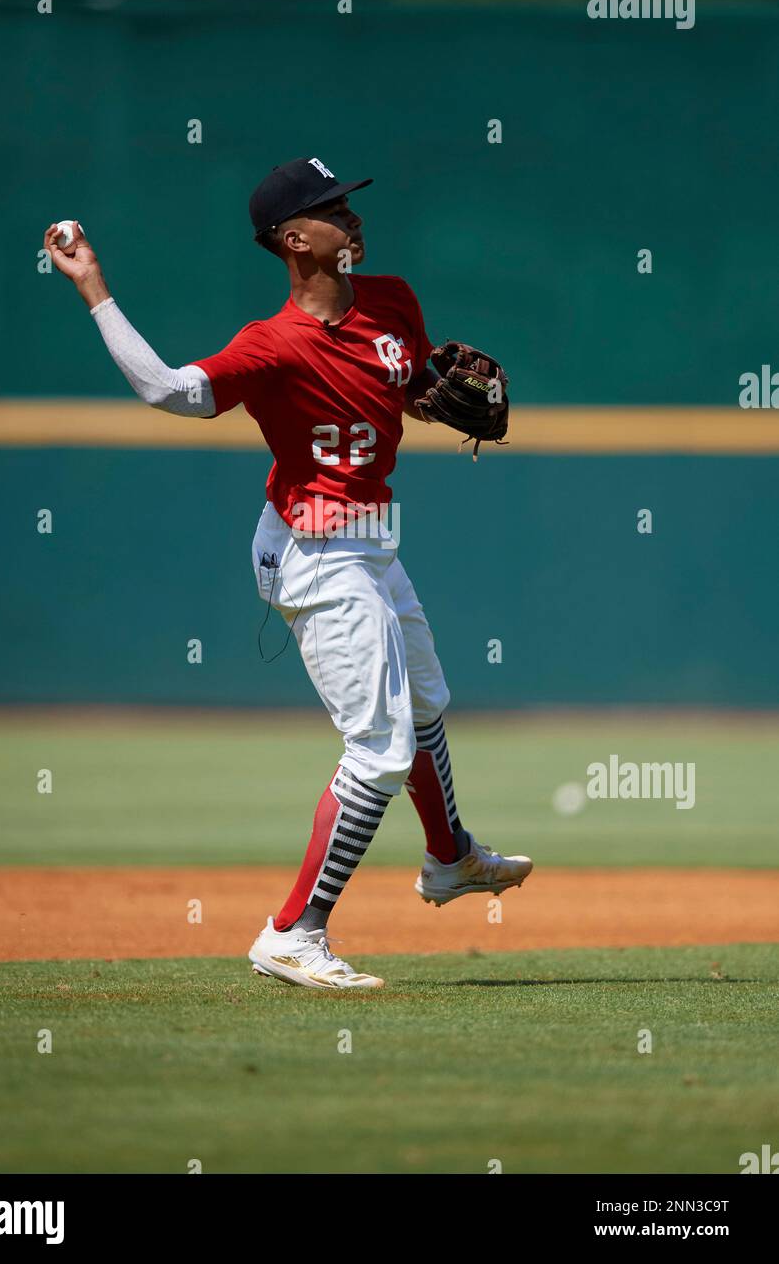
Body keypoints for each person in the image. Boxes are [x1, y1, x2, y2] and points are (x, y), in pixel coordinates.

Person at [44, 156, 532, 992]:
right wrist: (94, 287)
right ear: (296, 238)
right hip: (315, 550)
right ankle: (292, 933)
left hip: (371, 536)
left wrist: (432, 396)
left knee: (423, 707)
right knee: (377, 749)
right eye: (334, 210)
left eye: (349, 203)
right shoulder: (270, 347)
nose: (354, 219)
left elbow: (404, 385)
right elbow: (165, 390)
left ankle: (449, 857)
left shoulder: (393, 300)